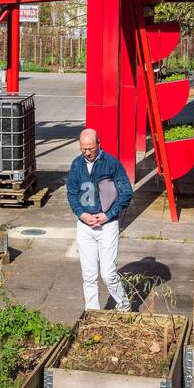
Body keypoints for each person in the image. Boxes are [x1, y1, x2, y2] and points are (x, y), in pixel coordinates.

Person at [66, 128, 133, 312]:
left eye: (91, 148)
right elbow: (71, 194)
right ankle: (92, 312)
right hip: (85, 226)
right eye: (83, 149)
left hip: (107, 226)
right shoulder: (76, 165)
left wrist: (107, 215)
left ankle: (124, 306)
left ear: (99, 144)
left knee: (108, 274)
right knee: (88, 274)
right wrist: (81, 214)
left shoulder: (111, 164)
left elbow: (126, 192)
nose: (87, 153)